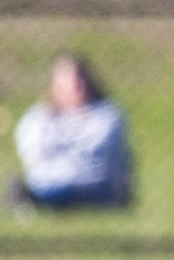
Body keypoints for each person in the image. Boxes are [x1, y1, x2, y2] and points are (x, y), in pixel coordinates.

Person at [8, 53, 134, 212]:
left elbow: (98, 150)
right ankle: (29, 202)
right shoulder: (38, 117)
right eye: (68, 82)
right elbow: (34, 151)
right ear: (55, 85)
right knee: (34, 190)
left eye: (79, 80)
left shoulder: (107, 113)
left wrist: (59, 146)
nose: (75, 87)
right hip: (51, 184)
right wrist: (74, 146)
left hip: (95, 185)